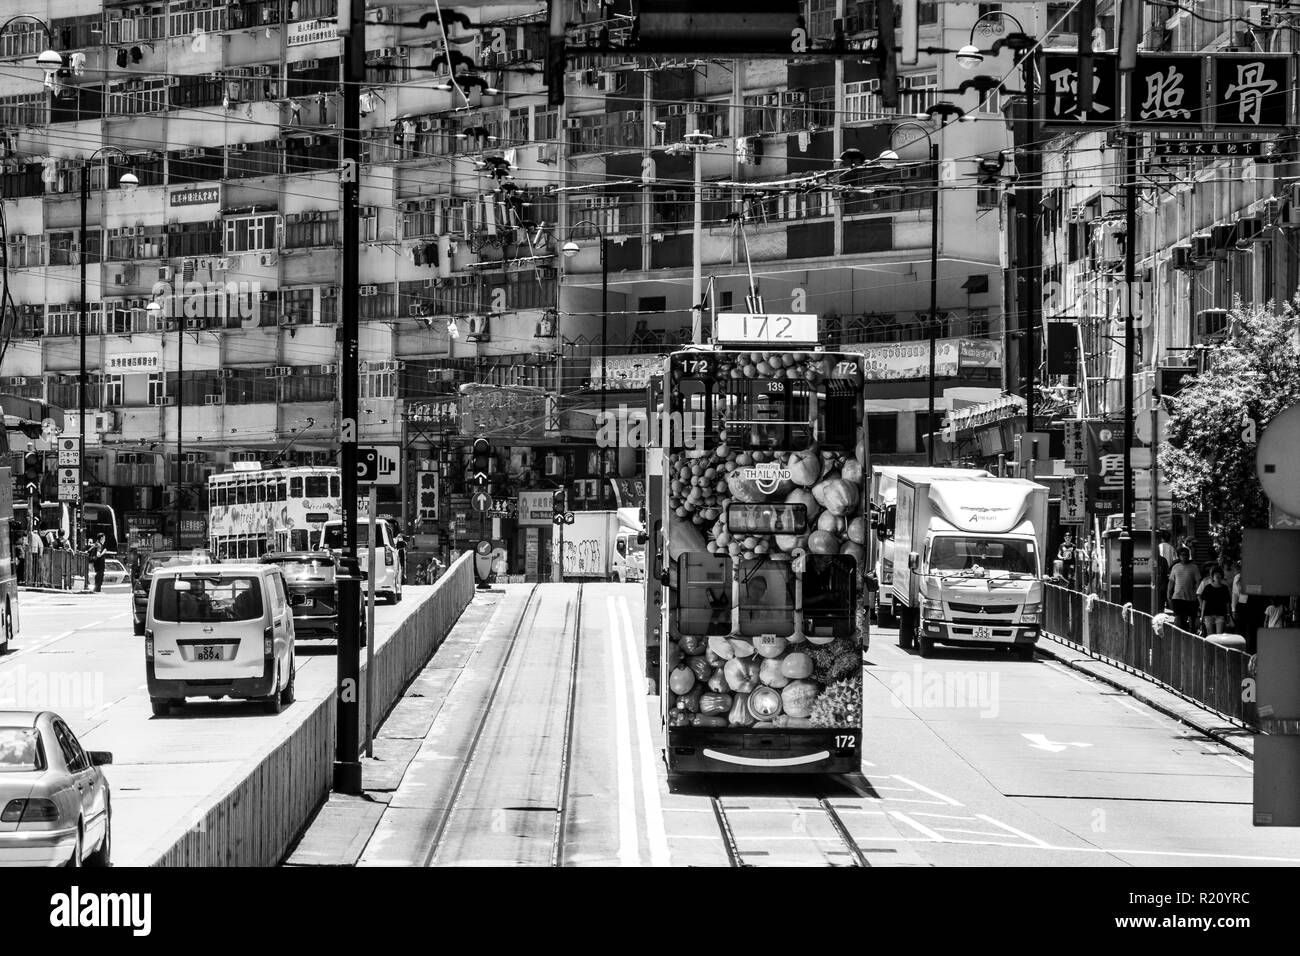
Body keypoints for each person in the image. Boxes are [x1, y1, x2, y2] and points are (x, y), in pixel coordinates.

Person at [1167, 546, 1202, 633]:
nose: (1184, 556)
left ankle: (1191, 635)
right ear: (1179, 556)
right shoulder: (1175, 567)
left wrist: (1197, 594)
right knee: (1178, 619)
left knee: (1192, 620)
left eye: (1186, 555)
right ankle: (1178, 635)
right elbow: (1171, 582)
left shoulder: (1194, 567)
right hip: (1177, 597)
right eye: (1182, 555)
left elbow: (1198, 582)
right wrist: (1168, 593)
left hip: (1191, 598)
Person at [1197, 566, 1231, 635]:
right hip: (1208, 615)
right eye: (1215, 574)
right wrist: (1202, 616)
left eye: (1219, 574)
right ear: (1212, 576)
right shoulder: (1207, 587)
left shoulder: (1225, 588)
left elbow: (1227, 603)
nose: (1217, 576)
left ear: (1222, 575)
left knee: (1219, 636)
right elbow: (1204, 603)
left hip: (1220, 615)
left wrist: (1228, 614)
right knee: (1210, 636)